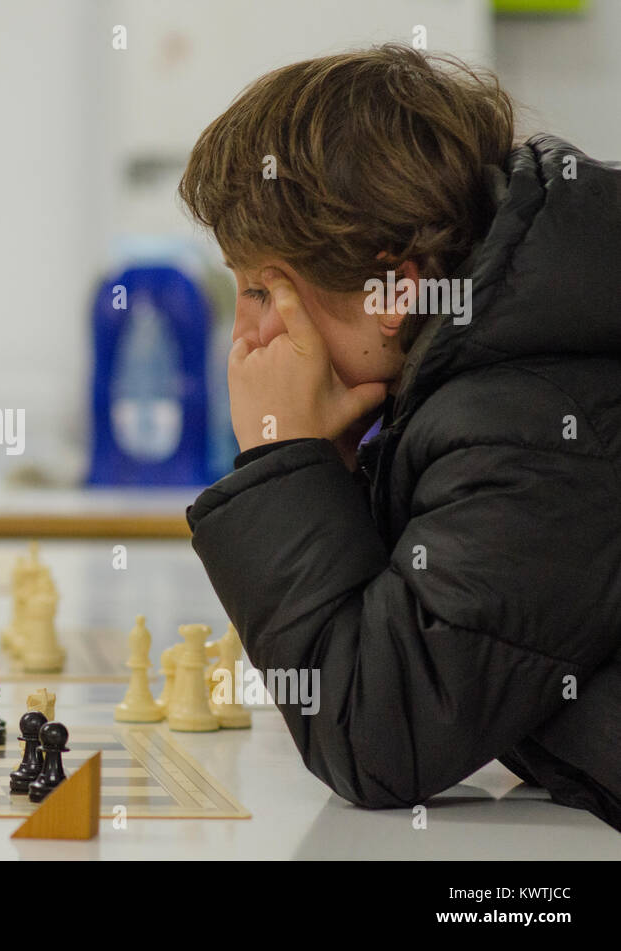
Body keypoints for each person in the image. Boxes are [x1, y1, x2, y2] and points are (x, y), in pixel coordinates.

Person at [180, 44, 621, 830]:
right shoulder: (506, 358)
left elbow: (375, 736)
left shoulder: (528, 428)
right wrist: (332, 468)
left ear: (393, 292)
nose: (245, 337)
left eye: (262, 291)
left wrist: (284, 457)